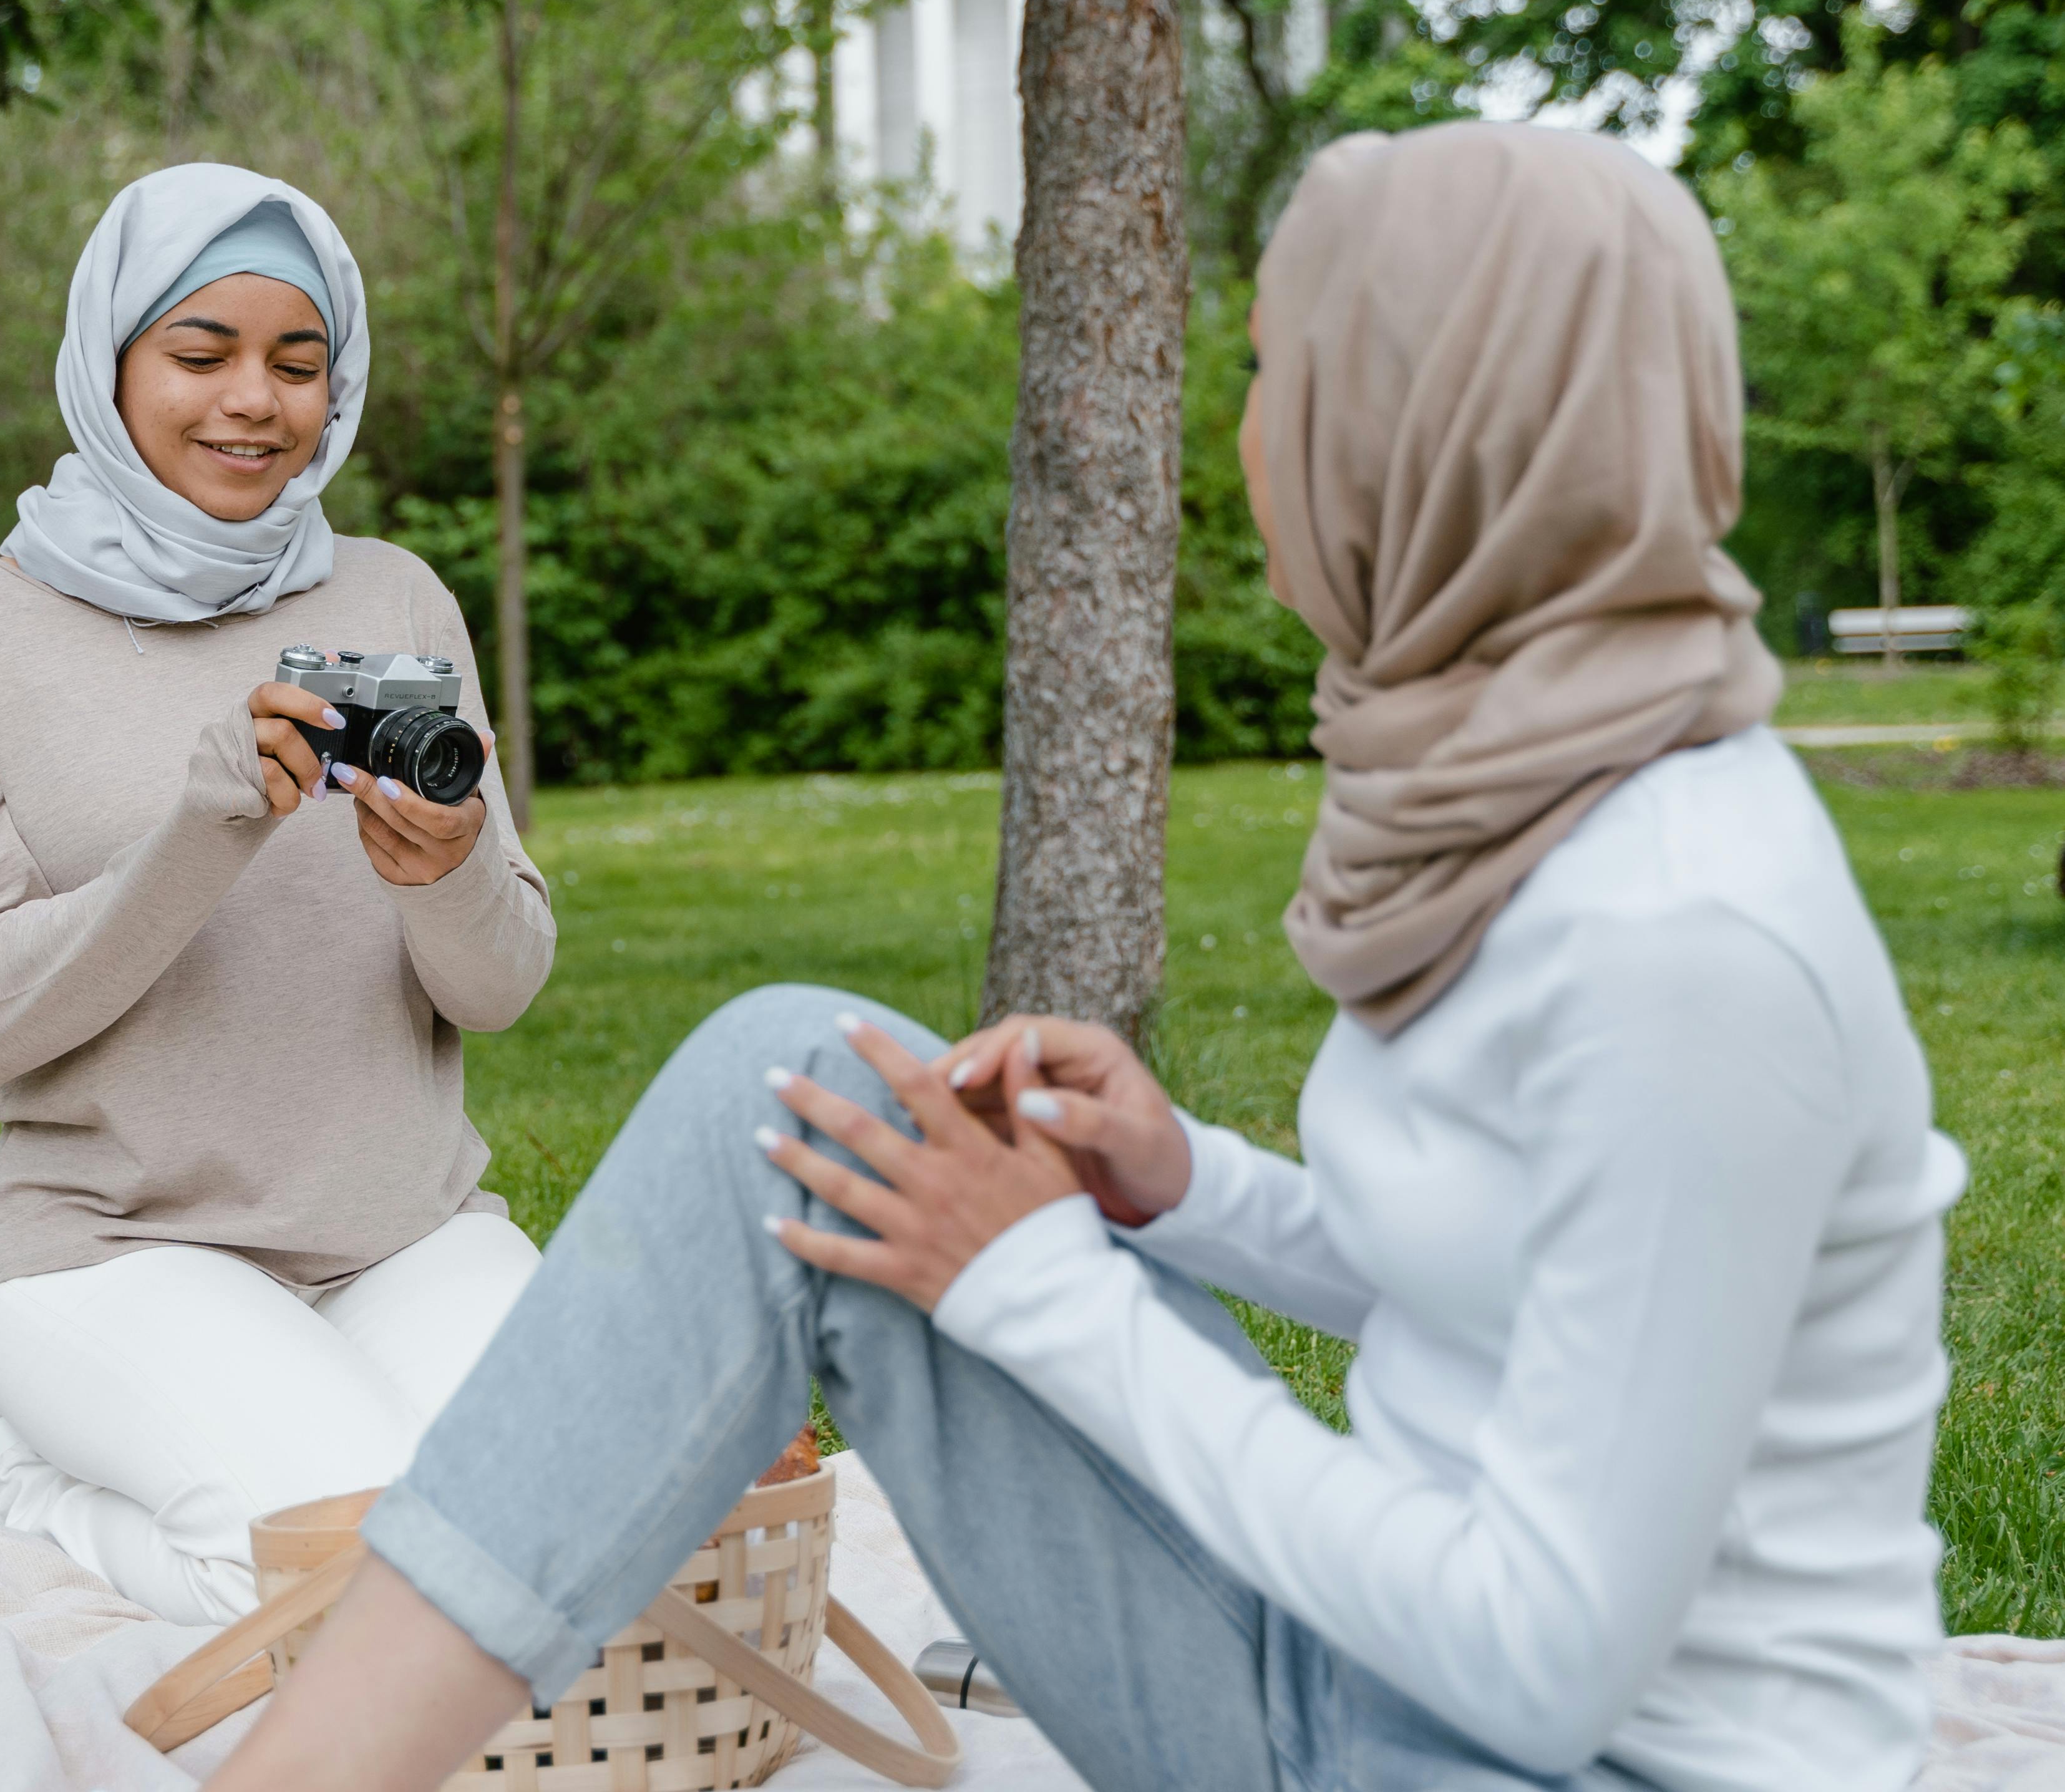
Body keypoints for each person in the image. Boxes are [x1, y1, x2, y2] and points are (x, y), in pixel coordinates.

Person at [206, 122, 1962, 1792]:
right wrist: (1175, 1184)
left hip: (1512, 1750)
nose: (1245, 433)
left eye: (1280, 375)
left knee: (803, 1102)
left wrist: (1027, 1283)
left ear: (1418, 431)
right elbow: (1533, 1293)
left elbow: (1541, 1657)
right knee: (808, 1093)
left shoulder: (1684, 955)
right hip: (1380, 1690)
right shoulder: (1551, 787)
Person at [0, 160, 555, 1625]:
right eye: (201, 354)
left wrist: (448, 876)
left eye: (299, 363)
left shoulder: (394, 596)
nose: (255, 398)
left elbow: (498, 985)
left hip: (406, 1233)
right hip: (113, 1248)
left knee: (574, 1553)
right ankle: (27, 1478)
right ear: (109, 361)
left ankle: (218, 1463)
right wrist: (207, 820)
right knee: (378, 1585)